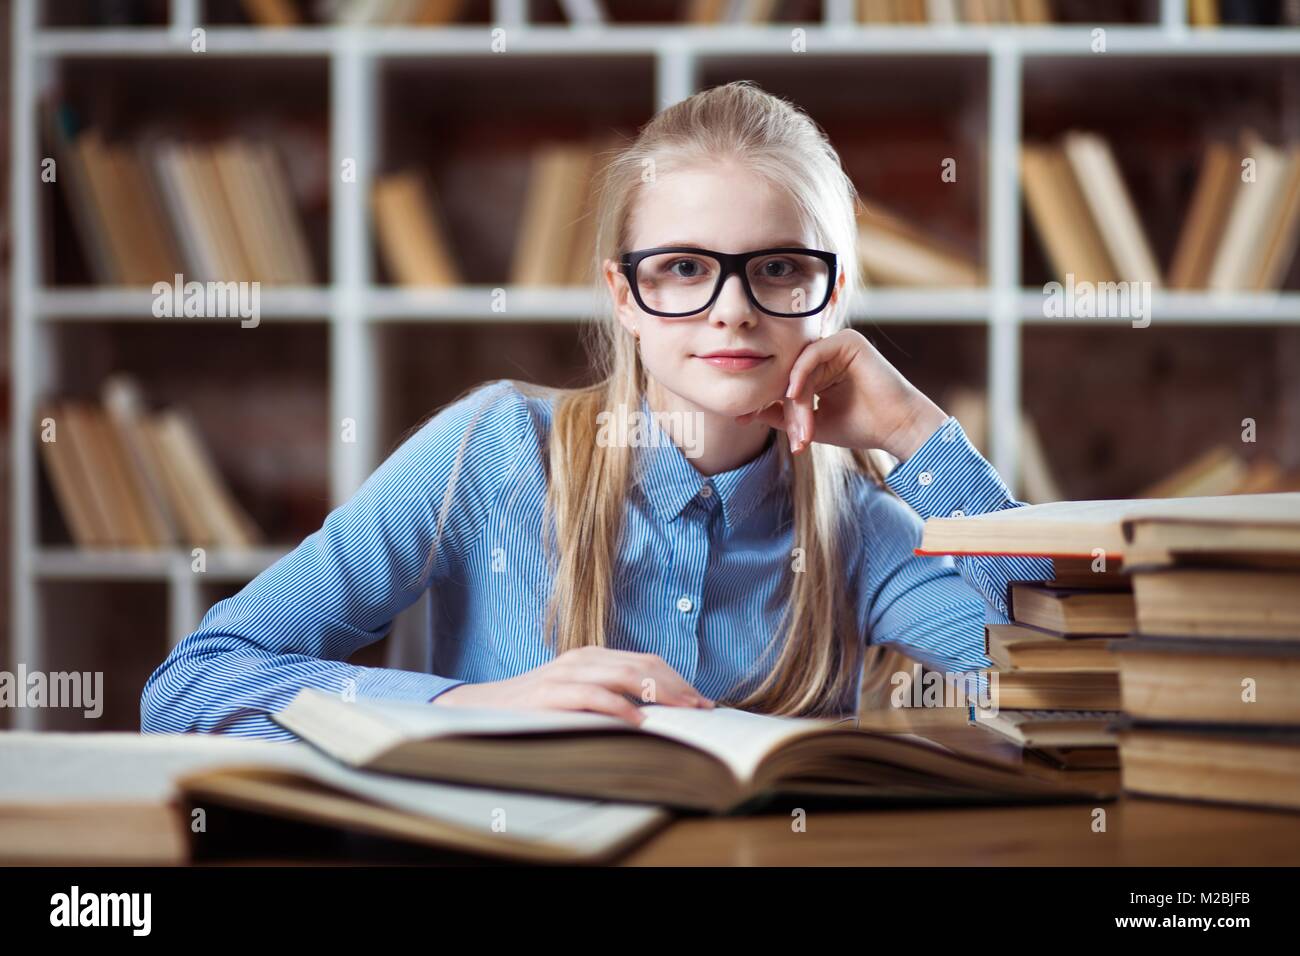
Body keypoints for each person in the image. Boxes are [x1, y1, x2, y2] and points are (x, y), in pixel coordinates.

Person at [141, 80, 1051, 740]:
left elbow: (1081, 700)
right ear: (624, 296)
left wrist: (916, 436)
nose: (730, 309)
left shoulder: (856, 527)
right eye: (684, 269)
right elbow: (191, 686)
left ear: (833, 295)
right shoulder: (494, 453)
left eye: (777, 268)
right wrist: (468, 709)